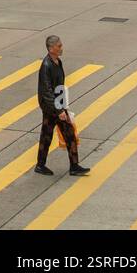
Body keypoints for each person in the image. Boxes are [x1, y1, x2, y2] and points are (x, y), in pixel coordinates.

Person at [35, 34, 90, 177]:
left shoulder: (57, 62)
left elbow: (58, 86)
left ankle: (41, 165)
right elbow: (46, 91)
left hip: (57, 104)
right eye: (59, 46)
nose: (61, 48)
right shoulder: (47, 65)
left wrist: (63, 104)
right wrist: (59, 110)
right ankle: (73, 166)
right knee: (68, 134)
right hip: (51, 107)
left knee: (48, 135)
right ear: (51, 48)